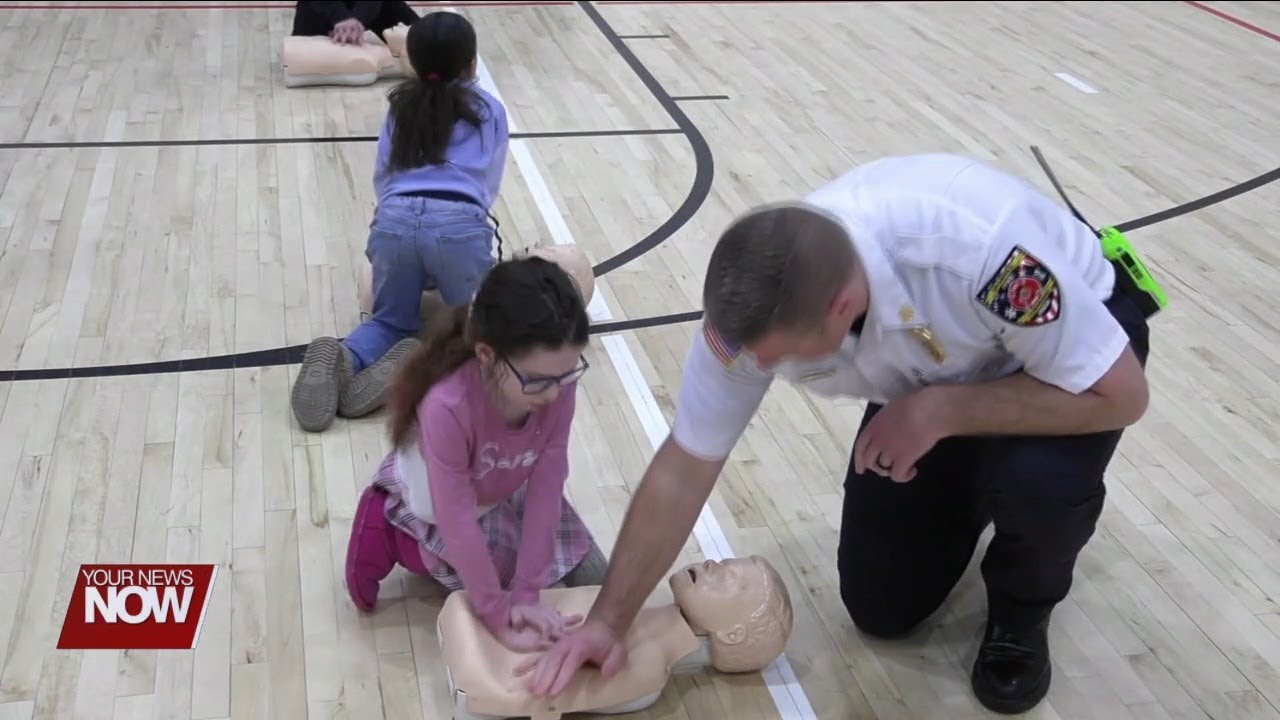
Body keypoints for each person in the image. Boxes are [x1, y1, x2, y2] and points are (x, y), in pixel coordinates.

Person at [519, 153, 1155, 715]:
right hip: (934, 372)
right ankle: (973, 475)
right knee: (882, 609)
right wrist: (607, 620)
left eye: (778, 357)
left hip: (1070, 360)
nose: (758, 370)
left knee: (1039, 484)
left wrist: (939, 414)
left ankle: (1023, 604)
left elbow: (1120, 398)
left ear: (843, 306)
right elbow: (684, 466)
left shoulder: (982, 255)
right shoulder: (753, 312)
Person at [343, 254, 609, 652]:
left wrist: (528, 594)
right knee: (487, 570)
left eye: (566, 375)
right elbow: (456, 517)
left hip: (502, 479)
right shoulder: (446, 405)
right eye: (538, 381)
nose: (555, 394)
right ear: (487, 355)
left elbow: (548, 488)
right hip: (436, 500)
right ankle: (385, 524)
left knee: (597, 581)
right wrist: (499, 616)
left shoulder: (554, 383)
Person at [292, 11, 509, 432]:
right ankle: (420, 359)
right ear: (471, 63)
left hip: (393, 220)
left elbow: (383, 177)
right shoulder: (490, 110)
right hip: (459, 224)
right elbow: (487, 186)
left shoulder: (399, 107)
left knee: (388, 321)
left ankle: (345, 355)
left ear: (412, 60)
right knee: (479, 329)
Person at [291, 1, 420, 45]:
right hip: (322, 8)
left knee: (425, 40)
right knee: (295, 60)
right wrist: (340, 17)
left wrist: (358, 19)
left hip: (370, 6)